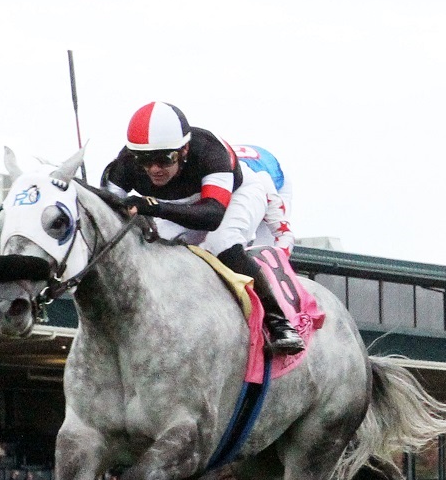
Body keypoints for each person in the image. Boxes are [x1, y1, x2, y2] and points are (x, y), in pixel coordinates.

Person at [102, 102, 305, 354]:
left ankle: (278, 322)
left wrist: (152, 207)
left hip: (234, 194)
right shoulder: (125, 164)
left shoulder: (209, 151)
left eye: (165, 159)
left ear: (184, 149)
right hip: (181, 203)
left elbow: (212, 217)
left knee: (221, 243)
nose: (154, 169)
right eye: (145, 160)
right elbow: (103, 210)